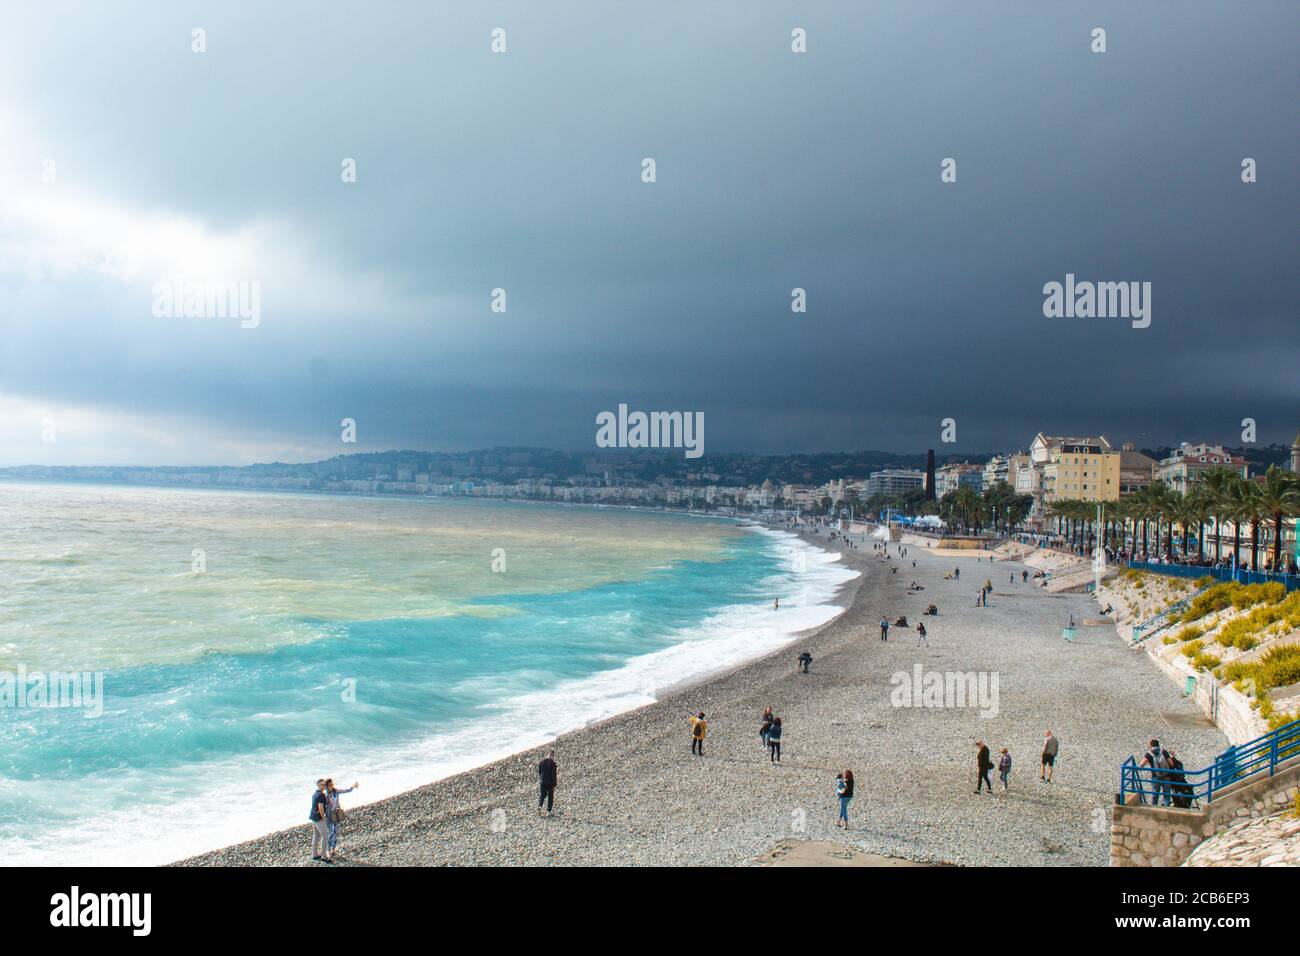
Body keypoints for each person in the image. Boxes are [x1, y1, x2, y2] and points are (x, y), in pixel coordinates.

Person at [325, 778, 358, 853]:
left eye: (332, 784)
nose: (332, 786)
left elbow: (347, 791)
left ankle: (333, 848)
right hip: (329, 815)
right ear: (326, 786)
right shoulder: (325, 795)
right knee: (331, 832)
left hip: (336, 814)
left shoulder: (336, 792)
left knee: (335, 831)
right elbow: (322, 805)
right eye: (330, 785)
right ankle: (328, 849)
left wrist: (353, 786)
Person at [1142, 738, 1174, 805]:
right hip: (1167, 775)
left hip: (1155, 776)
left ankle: (1154, 808)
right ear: (1158, 744)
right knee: (1167, 795)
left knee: (1155, 794)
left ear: (1151, 745)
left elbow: (1141, 765)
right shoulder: (1164, 752)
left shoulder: (1149, 754)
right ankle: (1166, 808)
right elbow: (1171, 764)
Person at [309, 779, 333, 863]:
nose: (324, 786)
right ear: (318, 785)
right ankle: (323, 855)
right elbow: (320, 807)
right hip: (318, 818)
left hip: (313, 817)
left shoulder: (315, 794)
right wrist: (323, 817)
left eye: (324, 785)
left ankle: (314, 854)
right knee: (325, 836)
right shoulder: (321, 795)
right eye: (322, 785)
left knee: (316, 835)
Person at [537, 750, 558, 815]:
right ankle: (548, 811)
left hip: (543, 781)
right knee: (550, 796)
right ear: (552, 755)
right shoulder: (553, 763)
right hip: (550, 782)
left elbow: (540, 772)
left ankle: (540, 806)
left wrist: (541, 779)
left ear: (548, 754)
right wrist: (555, 784)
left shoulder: (541, 762)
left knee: (542, 795)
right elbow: (554, 775)